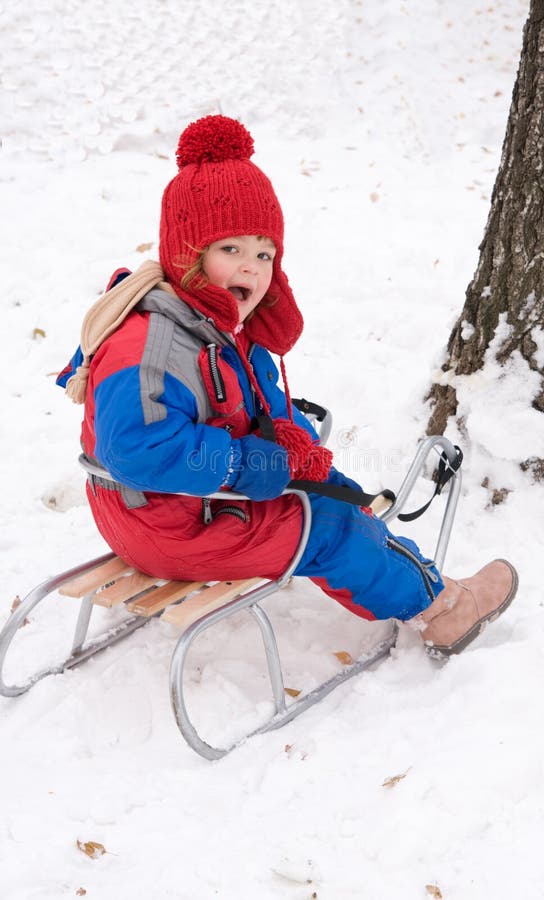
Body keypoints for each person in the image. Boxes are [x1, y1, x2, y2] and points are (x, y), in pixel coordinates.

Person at [57, 115, 517, 657]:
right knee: (328, 523)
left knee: (332, 490)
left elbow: (257, 407)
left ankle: (393, 563)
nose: (250, 268)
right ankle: (444, 612)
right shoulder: (152, 348)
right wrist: (248, 465)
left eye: (264, 254)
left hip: (172, 511)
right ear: (187, 251)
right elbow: (137, 448)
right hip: (167, 524)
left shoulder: (215, 327)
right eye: (230, 249)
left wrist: (298, 450)